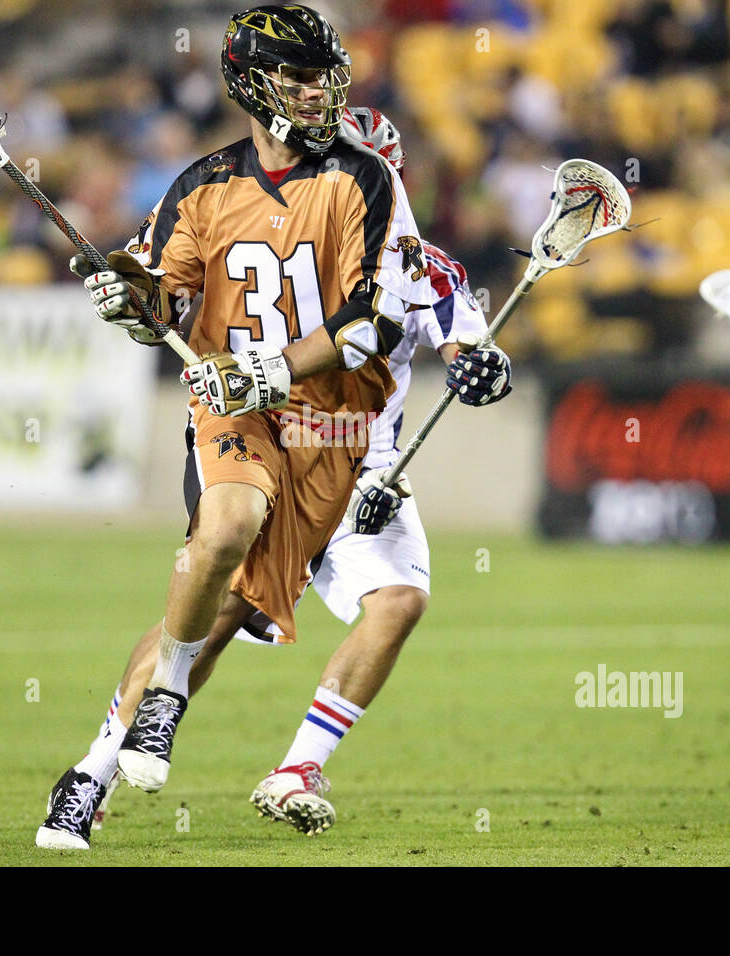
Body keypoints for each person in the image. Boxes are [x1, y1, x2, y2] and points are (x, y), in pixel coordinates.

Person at [35, 4, 439, 850]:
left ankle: (160, 751)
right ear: (254, 86)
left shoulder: (366, 183)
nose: (320, 92)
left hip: (337, 444)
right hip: (240, 416)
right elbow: (160, 292)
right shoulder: (202, 185)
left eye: (326, 75)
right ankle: (102, 763)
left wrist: (271, 366)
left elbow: (375, 324)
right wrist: (130, 298)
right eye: (298, 76)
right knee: (224, 544)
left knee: (270, 610)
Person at [88, 105, 513, 836]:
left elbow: (467, 352)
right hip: (267, 447)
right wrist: (139, 296)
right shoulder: (267, 229)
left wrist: (486, 370)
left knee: (399, 600)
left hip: (361, 464)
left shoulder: (425, 268)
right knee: (214, 618)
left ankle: (296, 770)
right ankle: (93, 773)